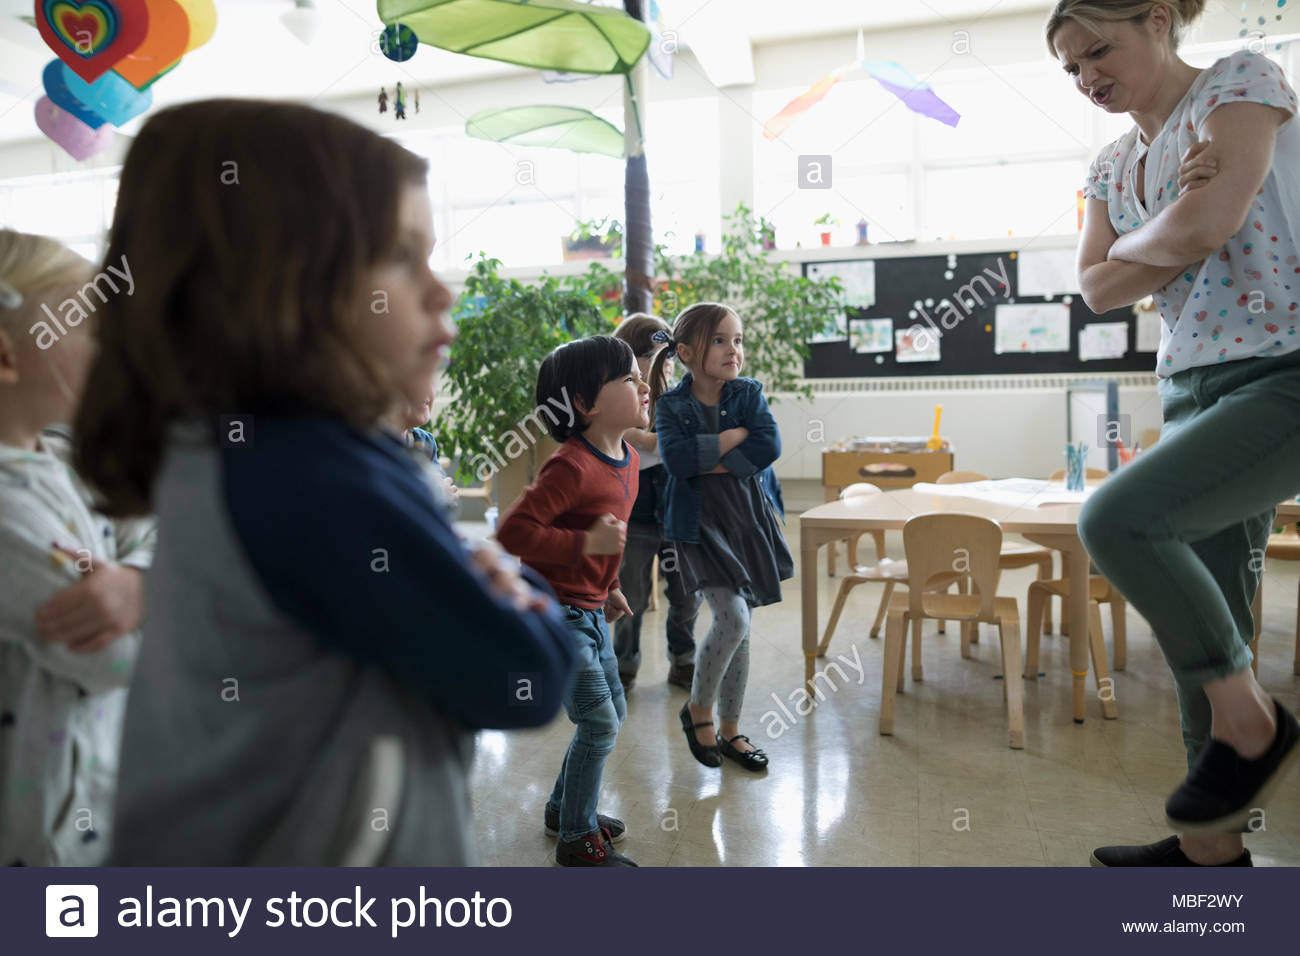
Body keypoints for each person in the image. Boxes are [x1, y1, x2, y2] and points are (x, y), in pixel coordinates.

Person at [71, 99, 577, 865]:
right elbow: (527, 679)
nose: (442, 292)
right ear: (285, 280)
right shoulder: (316, 472)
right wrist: (510, 575)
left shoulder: (227, 444)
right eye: (403, 258)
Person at [1050, 0, 1300, 867]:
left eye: (1098, 51)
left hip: (1283, 368)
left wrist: (1152, 242)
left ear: (1160, 20)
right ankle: (1211, 858)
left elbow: (1210, 223)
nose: (1086, 77)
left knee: (1118, 519)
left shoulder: (1241, 81)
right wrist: (1173, 223)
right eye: (1071, 68)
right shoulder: (1113, 163)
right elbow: (1094, 291)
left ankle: (1256, 726)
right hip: (1189, 384)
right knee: (1212, 625)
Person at [0, 231, 155, 865]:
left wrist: (140, 583)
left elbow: (140, 527)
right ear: (6, 359)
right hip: (43, 845)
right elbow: (119, 657)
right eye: (89, 330)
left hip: (87, 809)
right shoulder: (9, 514)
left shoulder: (55, 460)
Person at [496, 335, 649, 867]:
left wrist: (609, 586)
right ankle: (577, 840)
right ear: (585, 403)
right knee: (599, 722)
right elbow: (513, 533)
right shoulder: (571, 465)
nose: (645, 385)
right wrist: (587, 546)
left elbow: (605, 535)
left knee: (613, 712)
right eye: (630, 378)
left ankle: (565, 808)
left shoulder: (626, 459)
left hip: (590, 612)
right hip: (557, 616)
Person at [651, 303, 792, 772]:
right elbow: (676, 461)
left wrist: (710, 458)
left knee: (742, 627)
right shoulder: (672, 404)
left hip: (745, 522)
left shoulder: (748, 392)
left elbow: (768, 444)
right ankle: (699, 711)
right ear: (688, 353)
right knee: (731, 619)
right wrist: (734, 436)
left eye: (738, 340)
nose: (734, 349)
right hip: (698, 528)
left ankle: (731, 731)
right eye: (720, 340)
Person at [610, 314, 700, 691]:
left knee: (684, 592)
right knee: (631, 595)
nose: (659, 362)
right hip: (635, 503)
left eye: (664, 355)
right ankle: (625, 666)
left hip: (676, 502)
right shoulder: (616, 387)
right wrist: (648, 440)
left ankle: (683, 660)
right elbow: (607, 426)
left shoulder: (676, 388)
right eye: (651, 354)